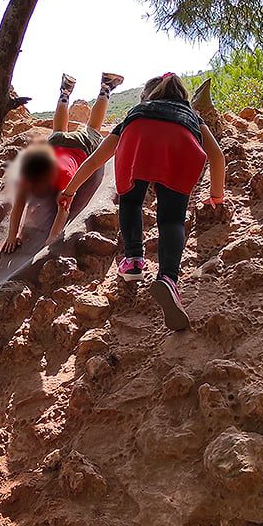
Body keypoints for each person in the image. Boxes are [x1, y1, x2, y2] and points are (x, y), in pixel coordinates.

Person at [53, 72, 227, 331]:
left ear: (148, 95)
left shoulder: (138, 111)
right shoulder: (192, 115)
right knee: (171, 219)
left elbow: (96, 159)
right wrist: (216, 194)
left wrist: (69, 191)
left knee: (131, 201)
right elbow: (217, 157)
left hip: (139, 136)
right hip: (181, 145)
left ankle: (133, 260)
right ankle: (168, 277)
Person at [1, 71, 124, 254]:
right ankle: (98, 88)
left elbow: (62, 208)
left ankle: (86, 89)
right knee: (62, 130)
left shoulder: (58, 178)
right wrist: (15, 235)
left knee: (92, 128)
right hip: (57, 146)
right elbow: (27, 203)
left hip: (78, 146)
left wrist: (50, 237)